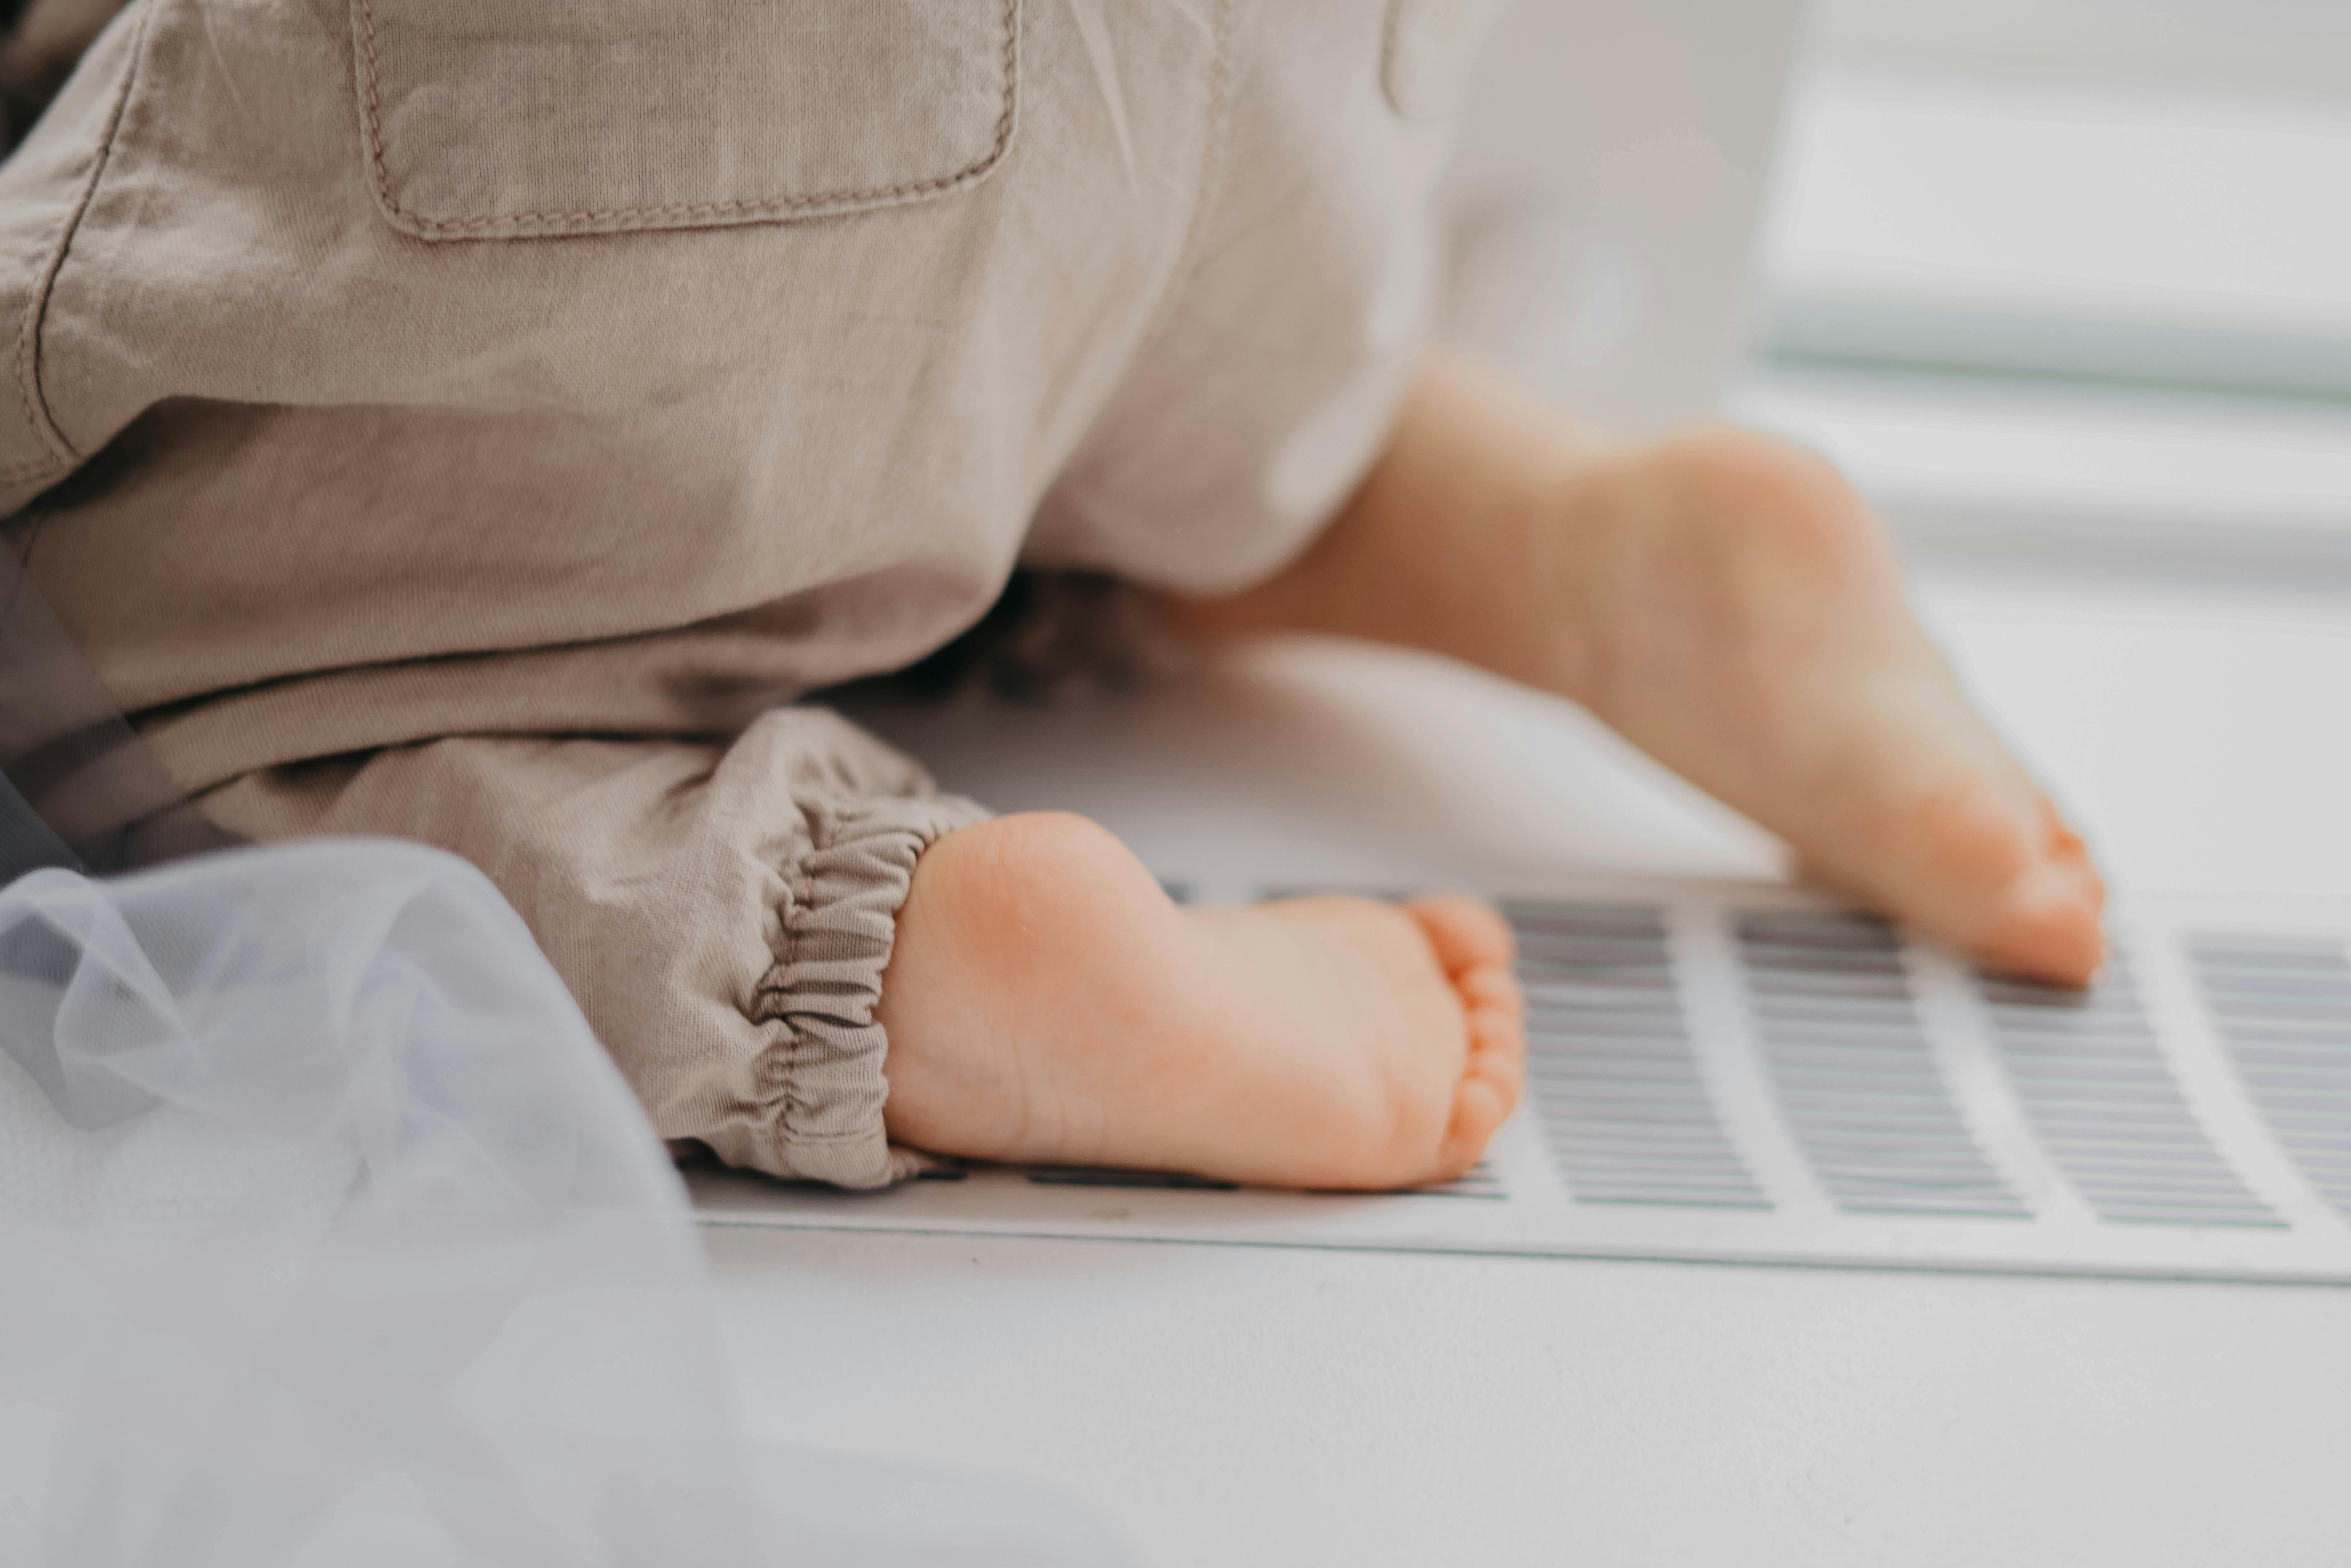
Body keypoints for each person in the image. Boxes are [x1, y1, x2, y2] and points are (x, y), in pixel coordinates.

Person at [0, 0, 2103, 1192]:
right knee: (1067, 381)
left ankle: (938, 966)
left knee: (122, 662)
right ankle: (1568, 542)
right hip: (1290, 76)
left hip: (638, 110)